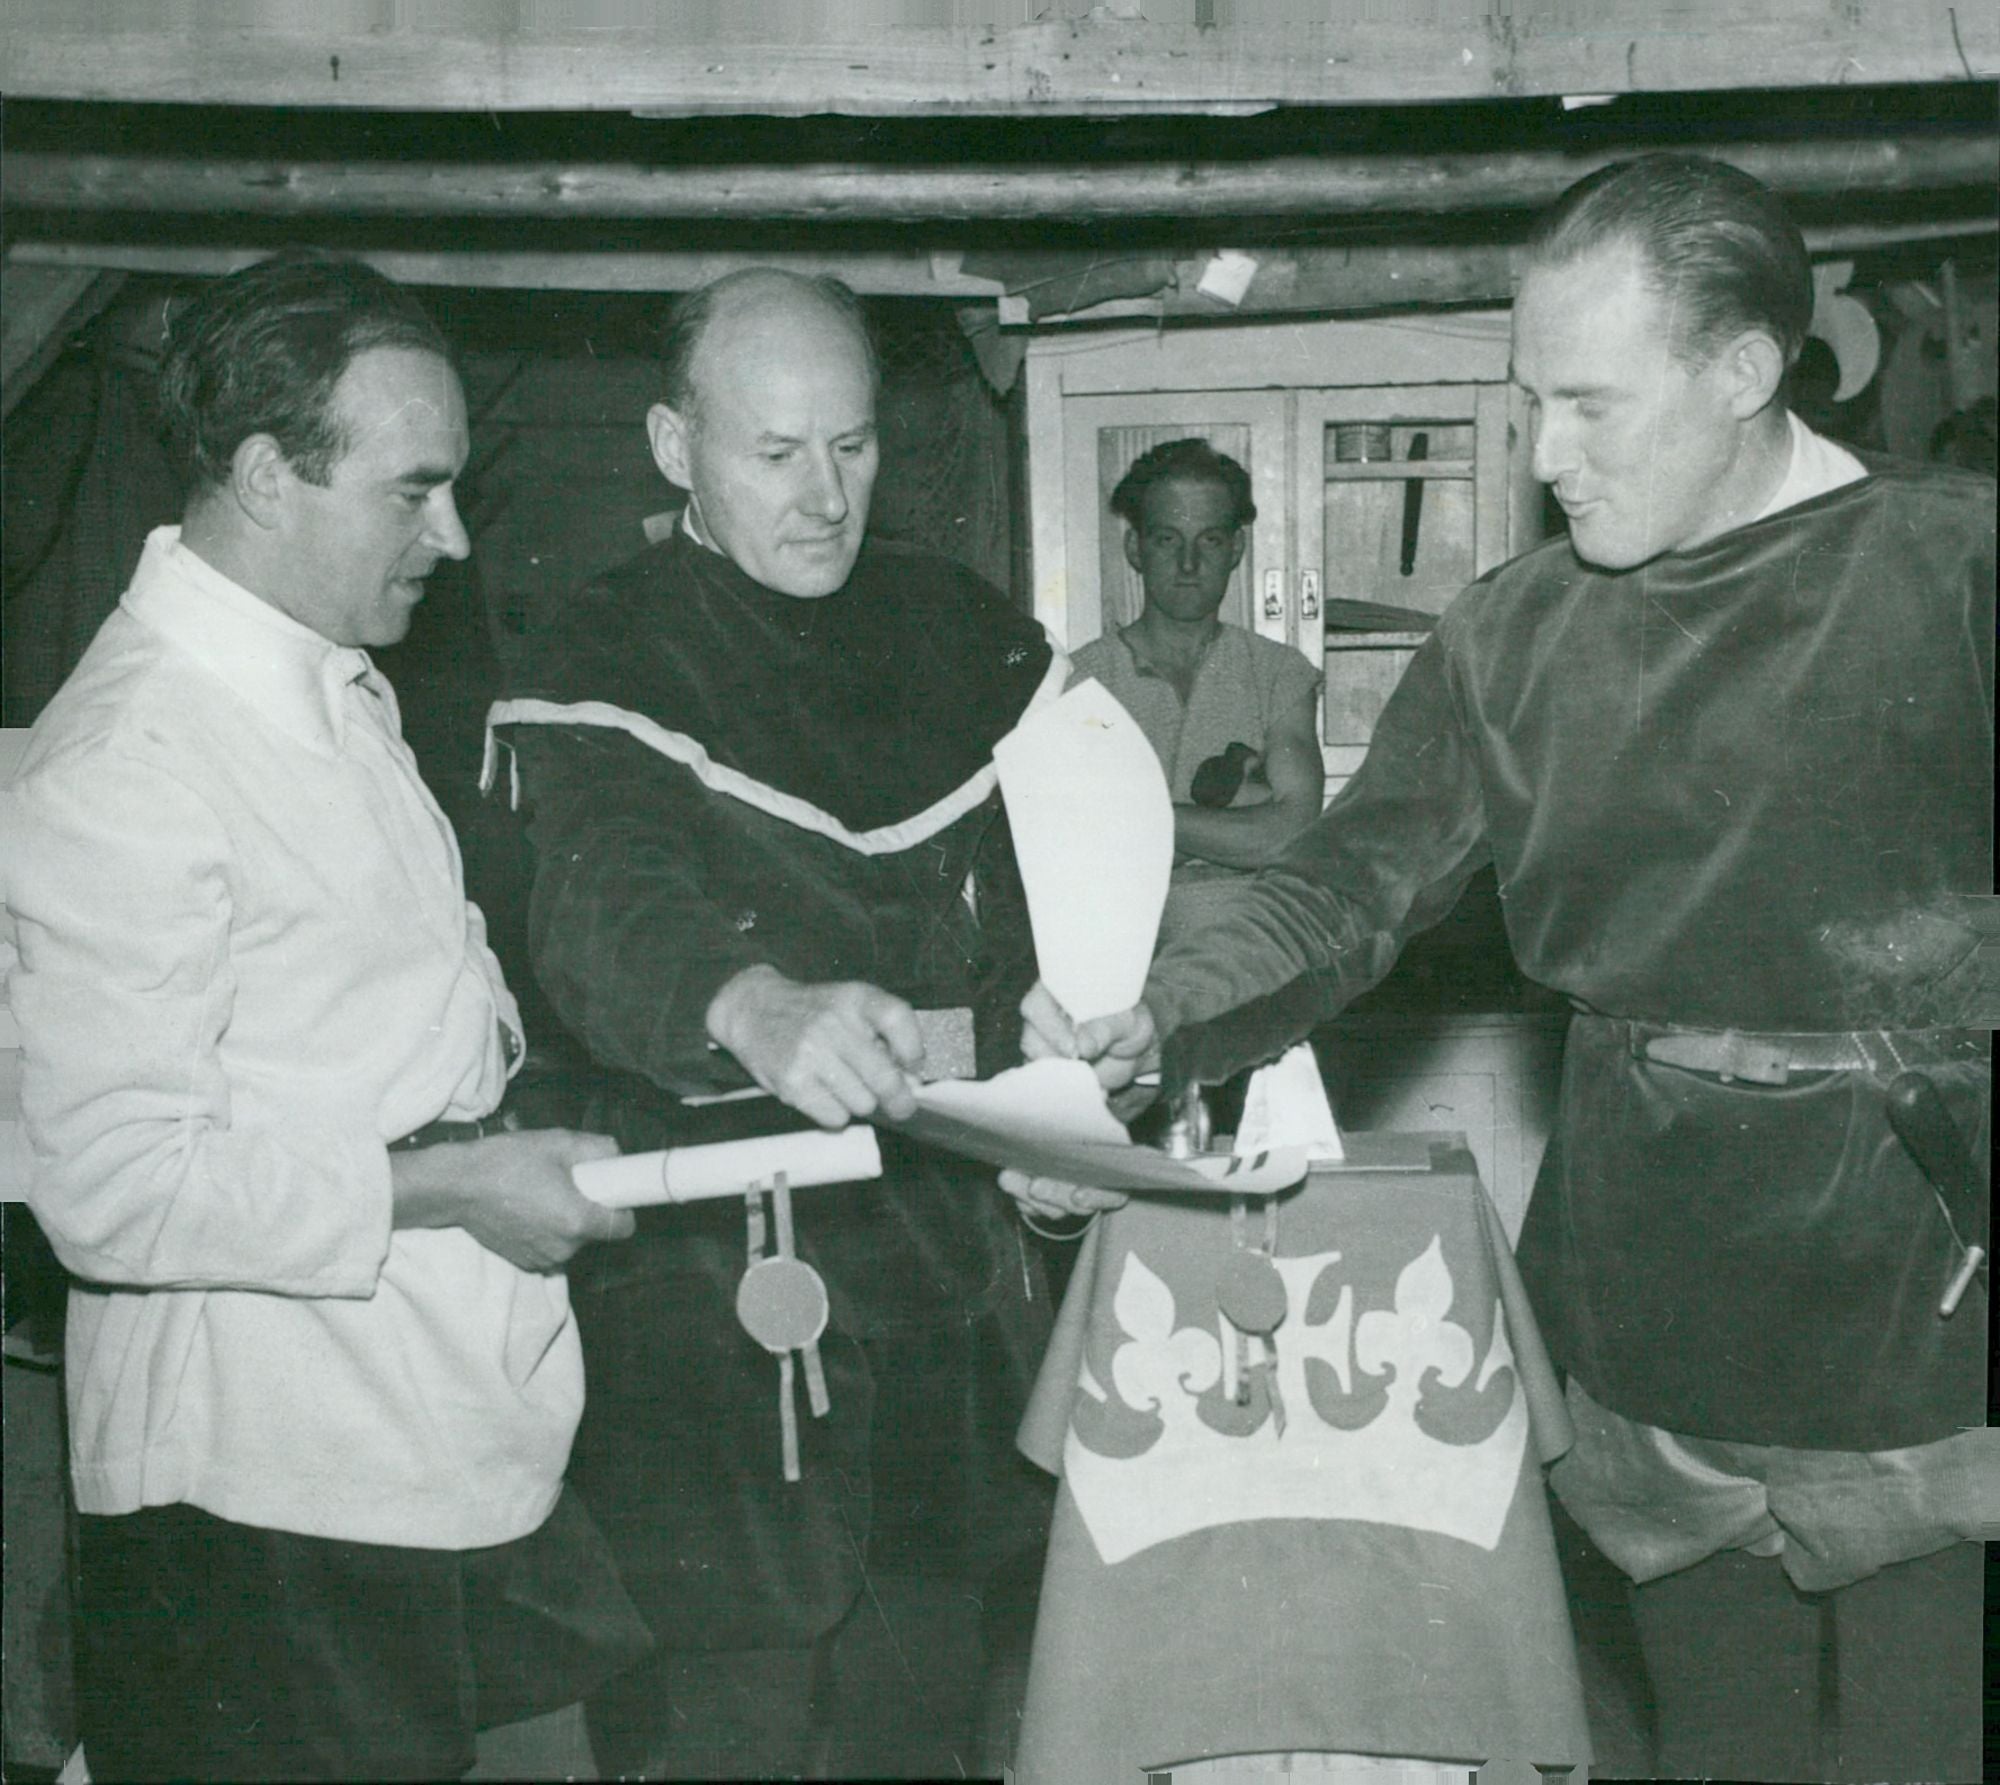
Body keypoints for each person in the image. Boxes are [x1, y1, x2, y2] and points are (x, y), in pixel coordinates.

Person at [1020, 154, 1994, 1784]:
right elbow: (1340, 893)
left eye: (1592, 407)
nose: (1544, 456)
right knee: (1718, 1734)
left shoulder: (1958, 568)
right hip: (1648, 1263)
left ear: (1745, 370)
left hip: (1923, 1258)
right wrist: (1162, 1011)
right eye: (1533, 401)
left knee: (1925, 1736)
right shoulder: (1514, 631)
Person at [1, 251, 651, 1782]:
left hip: (435, 1429)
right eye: (413, 491)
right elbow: (112, 1188)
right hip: (265, 1496)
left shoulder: (331, 682)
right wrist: (461, 1184)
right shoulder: (130, 760)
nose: (456, 536)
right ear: (262, 476)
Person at [487, 267, 1064, 1779]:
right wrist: (746, 1002)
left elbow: (1044, 914)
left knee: (920, 1720)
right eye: (776, 452)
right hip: (707, 1295)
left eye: (853, 446)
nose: (826, 497)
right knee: (721, 1731)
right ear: (674, 446)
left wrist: (1065, 1072)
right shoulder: (600, 652)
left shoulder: (960, 628)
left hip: (940, 1274)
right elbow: (599, 899)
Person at [1072, 437, 1324, 894]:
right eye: (1167, 539)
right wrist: (1233, 818)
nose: (1188, 563)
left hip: (1256, 928)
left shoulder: (1280, 674)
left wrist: (1141, 817)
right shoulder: (1078, 682)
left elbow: (1291, 834)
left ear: (1235, 550)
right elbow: (1082, 848)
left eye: (1209, 540)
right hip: (1120, 926)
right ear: (1135, 549)